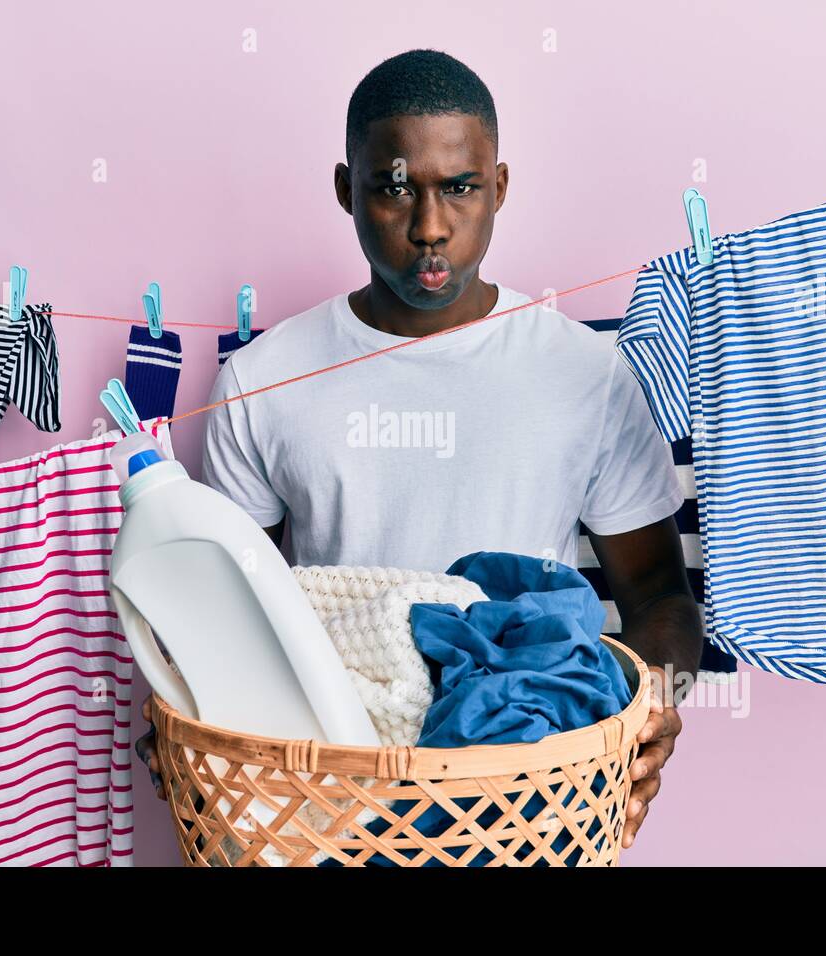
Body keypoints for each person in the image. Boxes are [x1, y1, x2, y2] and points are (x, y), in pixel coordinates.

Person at [137, 48, 703, 852]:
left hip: (528, 797)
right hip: (324, 798)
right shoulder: (264, 379)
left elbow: (658, 597)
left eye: (460, 188)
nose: (430, 226)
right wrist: (181, 714)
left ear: (499, 188)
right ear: (348, 190)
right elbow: (223, 612)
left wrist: (654, 702)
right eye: (395, 187)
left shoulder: (588, 375)